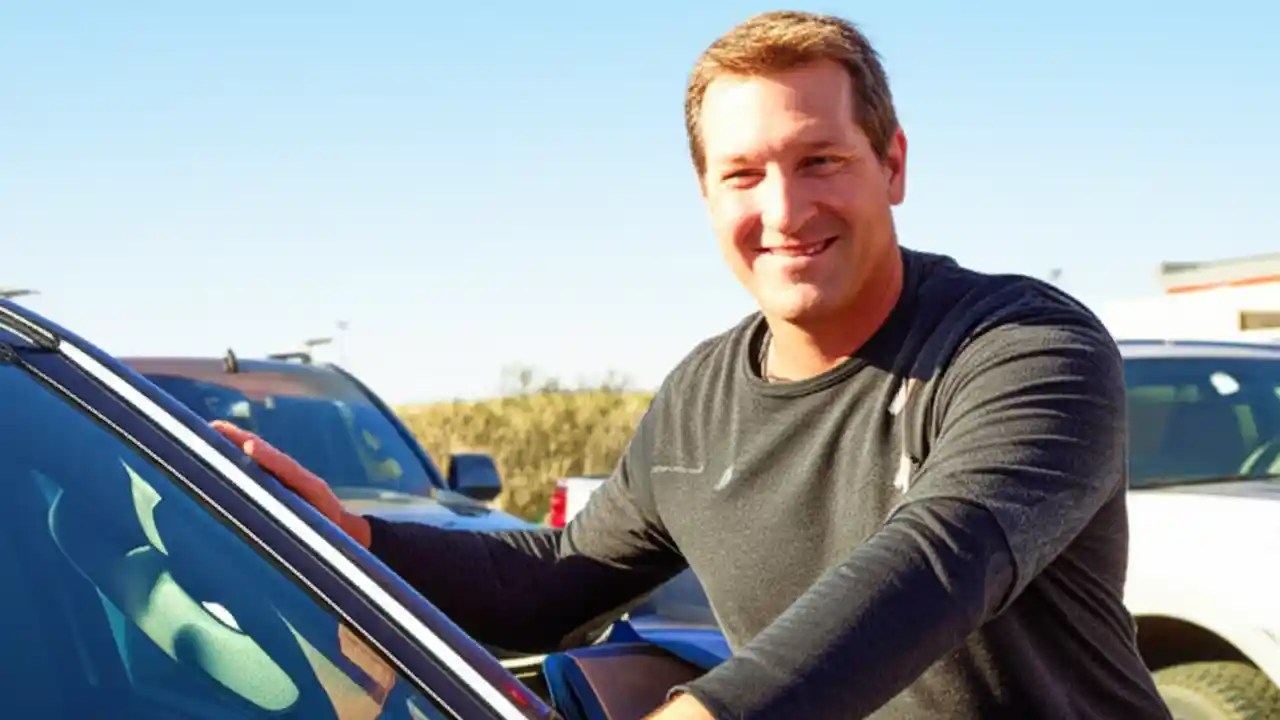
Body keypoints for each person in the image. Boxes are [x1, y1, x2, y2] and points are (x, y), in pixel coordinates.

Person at [214, 10, 1173, 719]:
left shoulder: (1024, 346)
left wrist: (708, 712)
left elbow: (940, 557)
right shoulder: (702, 399)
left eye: (823, 161)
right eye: (744, 174)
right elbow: (562, 577)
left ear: (893, 165)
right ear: (707, 193)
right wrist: (362, 541)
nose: (786, 212)